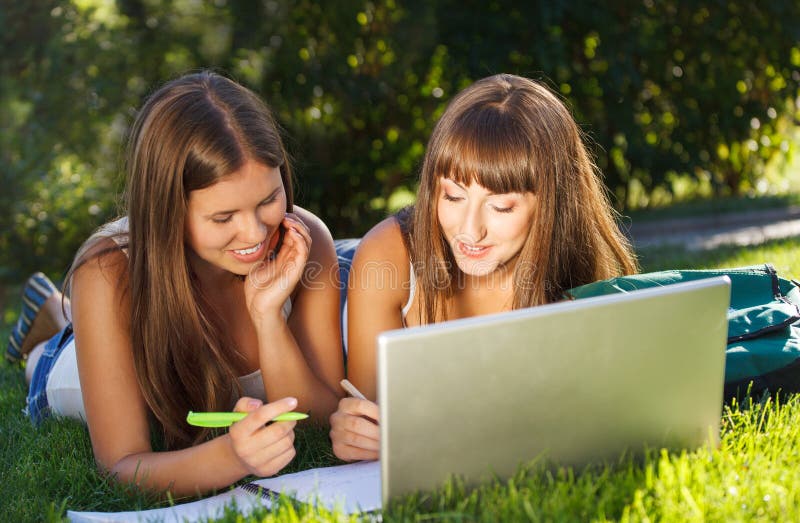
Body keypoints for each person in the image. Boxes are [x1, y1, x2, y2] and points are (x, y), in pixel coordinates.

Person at [6, 71, 344, 495]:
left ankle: (60, 314)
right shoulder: (106, 272)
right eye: (223, 217)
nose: (255, 233)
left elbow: (322, 418)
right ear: (168, 210)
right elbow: (121, 466)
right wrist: (232, 457)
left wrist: (268, 318)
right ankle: (52, 330)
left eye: (268, 200)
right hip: (72, 367)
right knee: (47, 362)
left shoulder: (307, 241)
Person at [329, 73, 638, 461]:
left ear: (553, 202)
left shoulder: (575, 275)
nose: (470, 231)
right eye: (453, 196)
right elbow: (366, 413)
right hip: (341, 273)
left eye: (501, 206)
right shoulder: (387, 254)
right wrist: (358, 431)